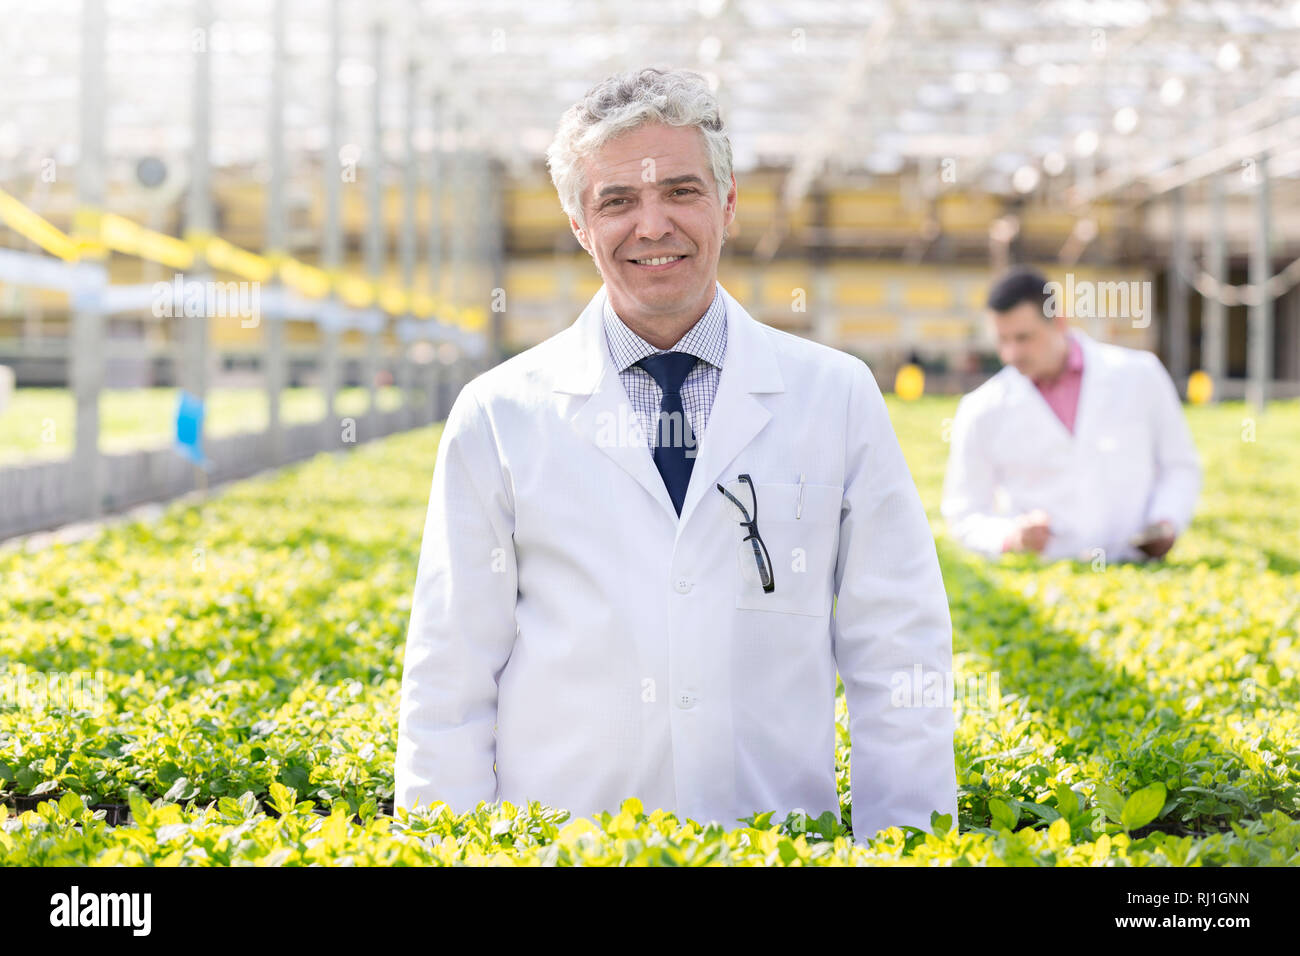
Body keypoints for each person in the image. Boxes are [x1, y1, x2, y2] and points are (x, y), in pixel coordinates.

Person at [394, 67, 957, 844]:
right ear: (578, 224)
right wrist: (441, 854)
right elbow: (449, 676)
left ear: (727, 205)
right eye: (617, 200)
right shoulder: (499, 414)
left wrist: (909, 853)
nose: (652, 225)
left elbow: (898, 655)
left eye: (682, 192)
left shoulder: (837, 396)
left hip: (773, 848)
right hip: (568, 852)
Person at [941, 266, 1202, 563]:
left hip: (1134, 564)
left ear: (1059, 321)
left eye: (1024, 338)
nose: (1012, 354)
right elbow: (964, 512)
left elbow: (1180, 466)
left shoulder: (1141, 375)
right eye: (1003, 340)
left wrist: (1166, 522)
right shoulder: (981, 408)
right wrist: (1012, 536)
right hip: (1047, 577)